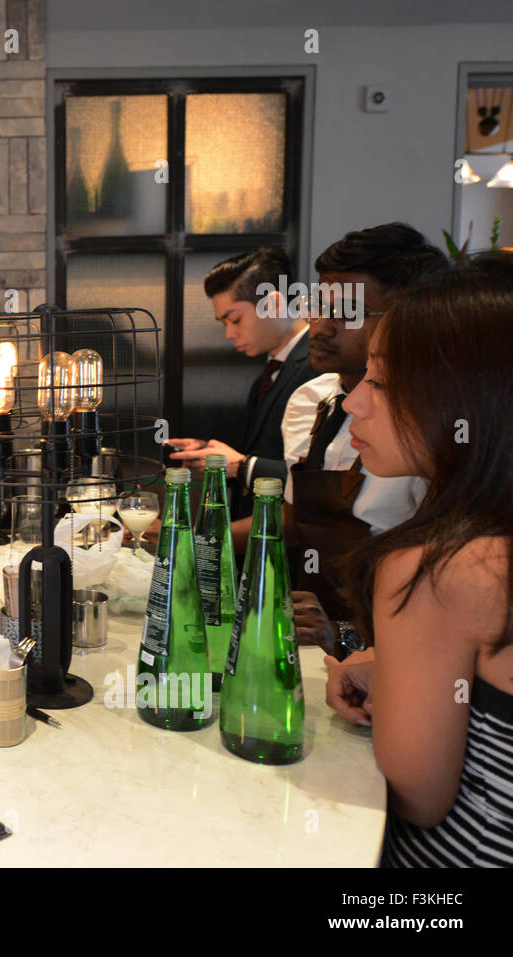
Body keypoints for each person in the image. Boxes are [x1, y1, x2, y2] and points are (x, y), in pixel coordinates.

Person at [325, 255, 513, 867]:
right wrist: (404, 671)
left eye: (380, 380)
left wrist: (400, 685)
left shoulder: (443, 568)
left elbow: (417, 796)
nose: (355, 402)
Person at [279, 224, 449, 627]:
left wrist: (350, 638)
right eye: (318, 305)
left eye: (348, 313)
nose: (319, 327)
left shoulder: (432, 435)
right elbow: (295, 520)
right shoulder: (312, 399)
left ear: (409, 319)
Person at [166, 247, 318, 517]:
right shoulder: (269, 373)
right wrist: (210, 455)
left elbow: (319, 479)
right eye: (224, 322)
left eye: (235, 319)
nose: (229, 333)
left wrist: (241, 466)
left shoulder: (319, 368)